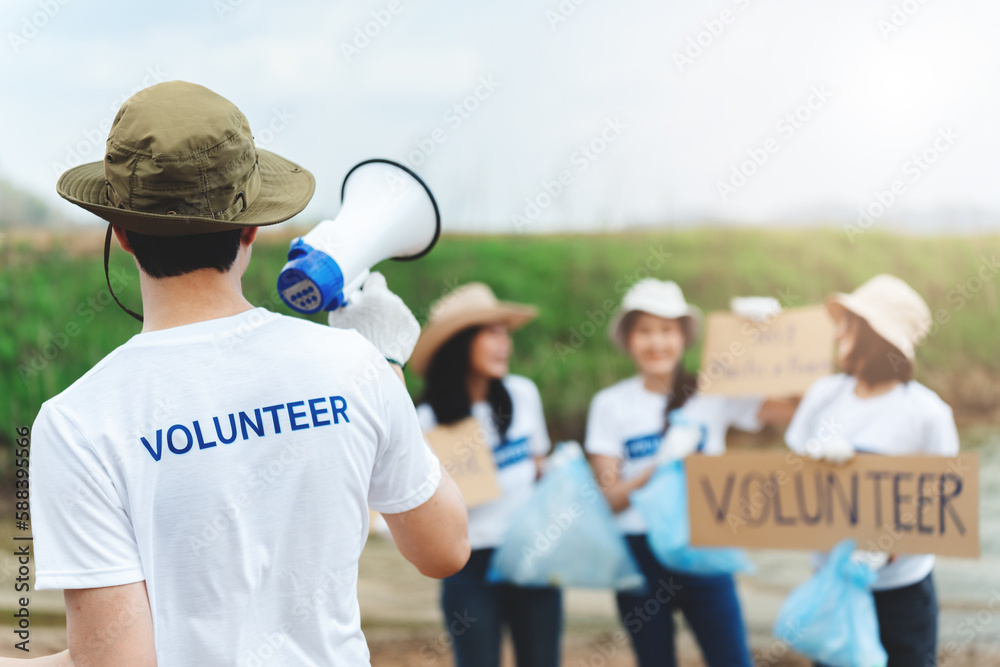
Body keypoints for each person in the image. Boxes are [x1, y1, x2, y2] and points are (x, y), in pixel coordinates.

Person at [22, 81, 469, 667]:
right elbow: (445, 550)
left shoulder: (78, 423)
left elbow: (119, 659)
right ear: (251, 227)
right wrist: (384, 369)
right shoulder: (354, 367)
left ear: (122, 234)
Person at [584, 278, 796, 667]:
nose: (657, 342)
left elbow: (796, 408)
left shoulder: (712, 393)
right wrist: (659, 466)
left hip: (705, 545)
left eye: (667, 330)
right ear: (629, 338)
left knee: (732, 659)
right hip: (638, 555)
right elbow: (611, 499)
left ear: (683, 337)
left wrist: (769, 336)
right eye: (645, 331)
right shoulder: (610, 405)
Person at [784, 274, 958, 666]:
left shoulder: (927, 414)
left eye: (851, 323)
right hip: (831, 583)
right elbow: (789, 476)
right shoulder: (823, 395)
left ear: (875, 335)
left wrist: (890, 545)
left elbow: (942, 501)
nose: (839, 332)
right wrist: (811, 460)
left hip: (901, 592)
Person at [408, 282, 561, 667]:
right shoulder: (425, 422)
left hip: (532, 557)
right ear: (460, 343)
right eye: (490, 333)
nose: (504, 344)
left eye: (504, 333)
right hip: (470, 566)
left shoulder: (522, 394)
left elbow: (539, 470)